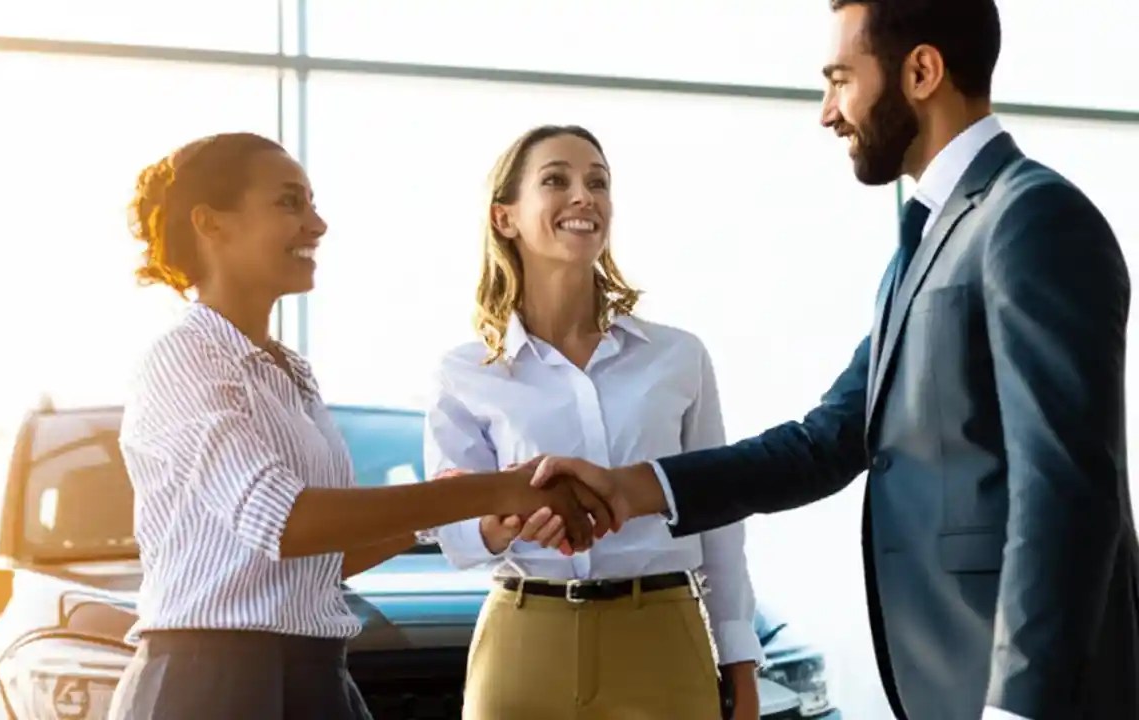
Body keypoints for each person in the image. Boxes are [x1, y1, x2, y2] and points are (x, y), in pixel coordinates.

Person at [531, 2, 1139, 719]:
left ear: (921, 71)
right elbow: (826, 441)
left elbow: (1066, 487)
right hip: (949, 686)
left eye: (841, 79)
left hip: (1025, 696)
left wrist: (1018, 708)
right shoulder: (925, 245)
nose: (828, 112)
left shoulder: (1032, 220)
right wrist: (633, 487)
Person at [105, 132, 613, 720]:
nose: (317, 225)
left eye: (312, 204)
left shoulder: (290, 371)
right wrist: (493, 490)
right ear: (211, 223)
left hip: (316, 675)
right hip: (209, 683)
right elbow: (286, 522)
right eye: (289, 203)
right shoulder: (182, 356)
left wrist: (455, 511)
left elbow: (327, 557)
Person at [424, 124, 761, 719]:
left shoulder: (677, 356)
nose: (584, 197)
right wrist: (502, 524)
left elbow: (721, 523)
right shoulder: (465, 372)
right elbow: (453, 529)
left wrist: (740, 663)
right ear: (505, 217)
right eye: (556, 180)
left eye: (598, 183)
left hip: (662, 639)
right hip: (524, 642)